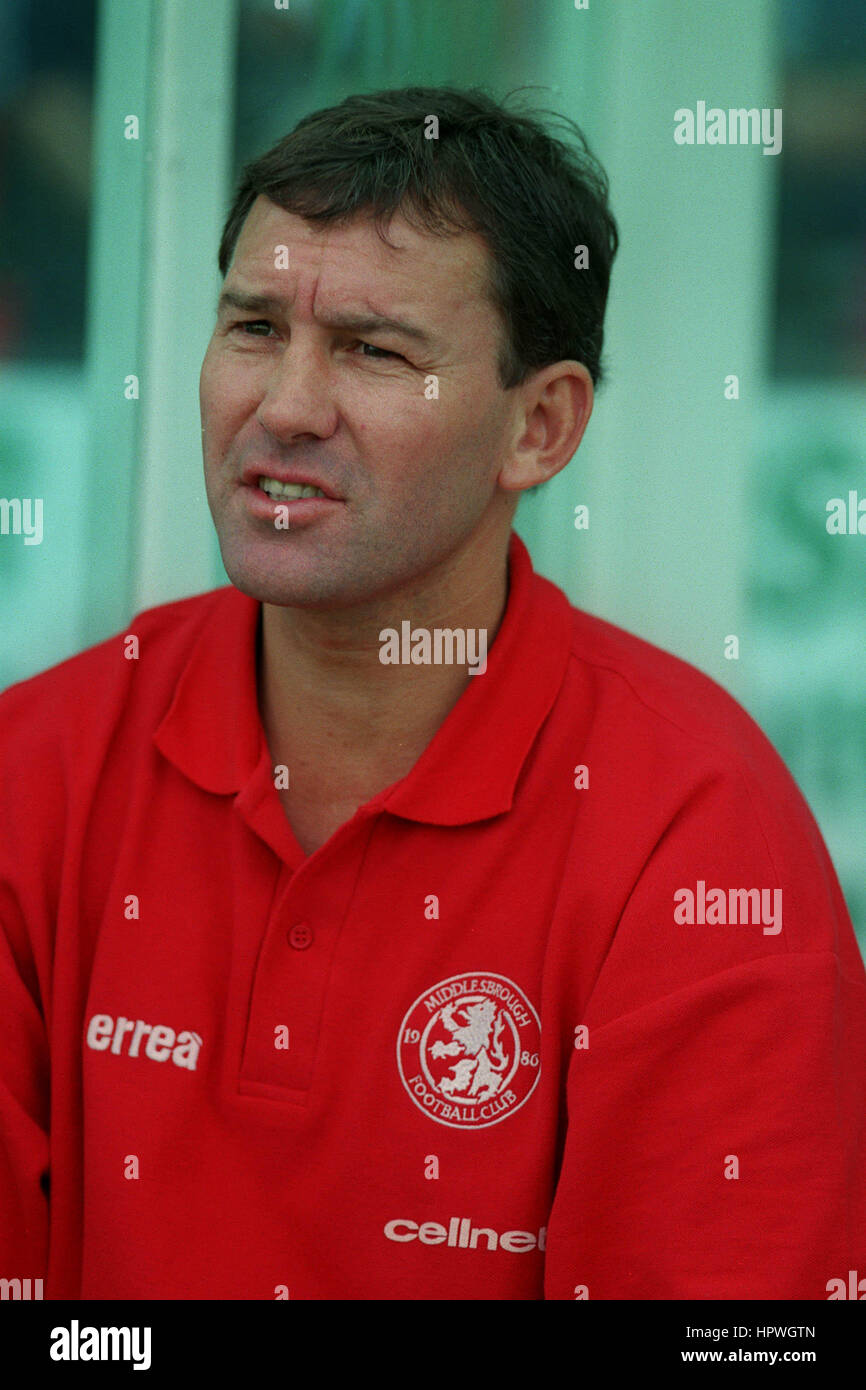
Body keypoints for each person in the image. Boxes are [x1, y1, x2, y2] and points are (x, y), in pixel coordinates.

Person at [1, 85, 864, 1302]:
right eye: (252, 327)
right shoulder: (37, 768)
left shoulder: (697, 827)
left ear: (540, 425)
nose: (284, 407)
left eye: (372, 349)